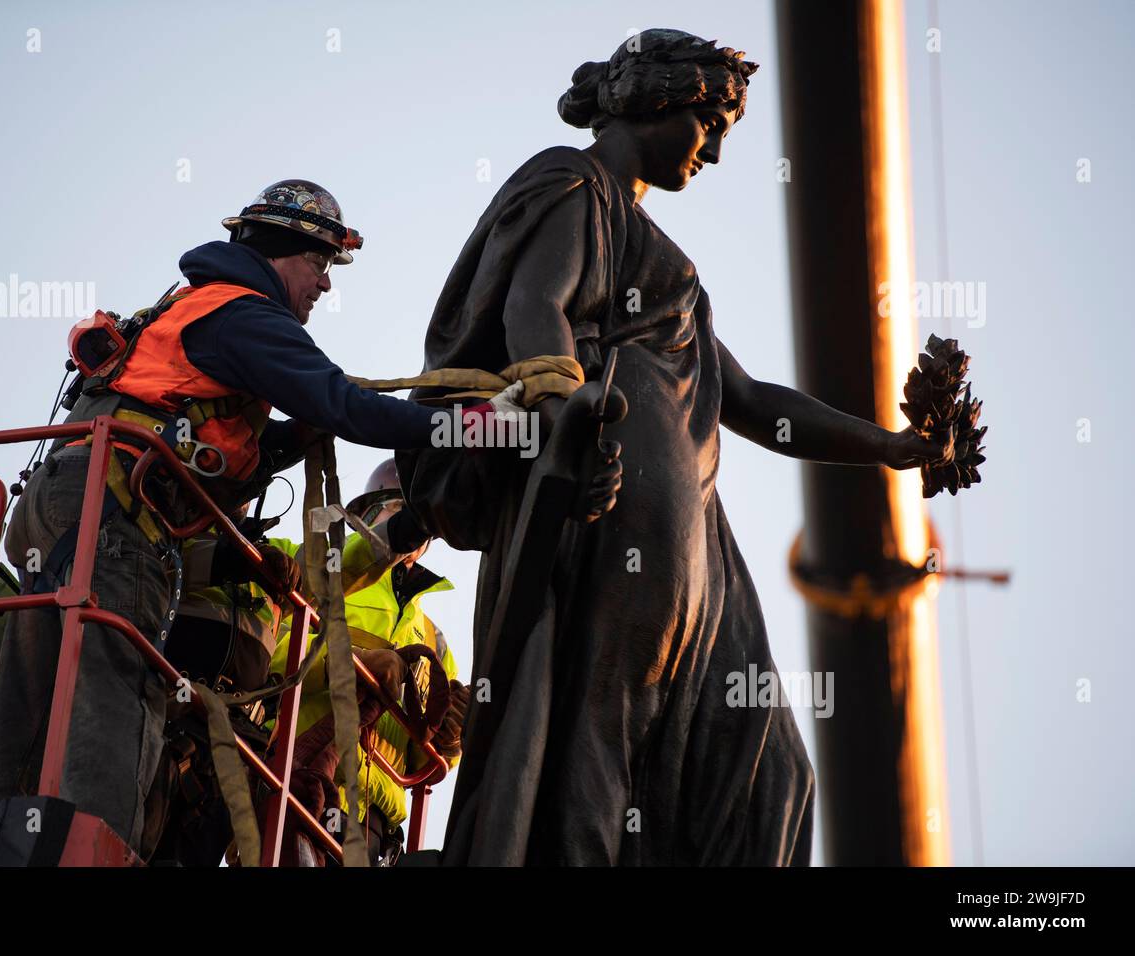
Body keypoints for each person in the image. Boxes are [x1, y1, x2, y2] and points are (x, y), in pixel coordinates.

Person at [396, 30, 956, 866]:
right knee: (598, 735)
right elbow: (533, 311)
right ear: (655, 100)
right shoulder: (572, 181)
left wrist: (893, 448)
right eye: (710, 121)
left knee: (771, 769)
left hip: (693, 537)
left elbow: (759, 404)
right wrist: (565, 430)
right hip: (611, 504)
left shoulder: (675, 272)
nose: (718, 151)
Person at [0, 180, 521, 852]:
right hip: (116, 511)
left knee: (30, 692)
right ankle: (99, 851)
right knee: (120, 683)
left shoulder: (192, 309)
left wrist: (292, 437)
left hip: (60, 501)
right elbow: (346, 404)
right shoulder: (250, 317)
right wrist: (480, 426)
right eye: (319, 265)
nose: (323, 285)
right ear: (285, 251)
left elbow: (216, 435)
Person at [267, 460, 467, 866]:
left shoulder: (434, 642)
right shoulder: (318, 575)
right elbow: (271, 648)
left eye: (420, 517)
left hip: (376, 826)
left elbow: (426, 761)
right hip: (300, 780)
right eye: (400, 509)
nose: (415, 526)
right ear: (367, 515)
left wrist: (450, 738)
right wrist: (353, 661)